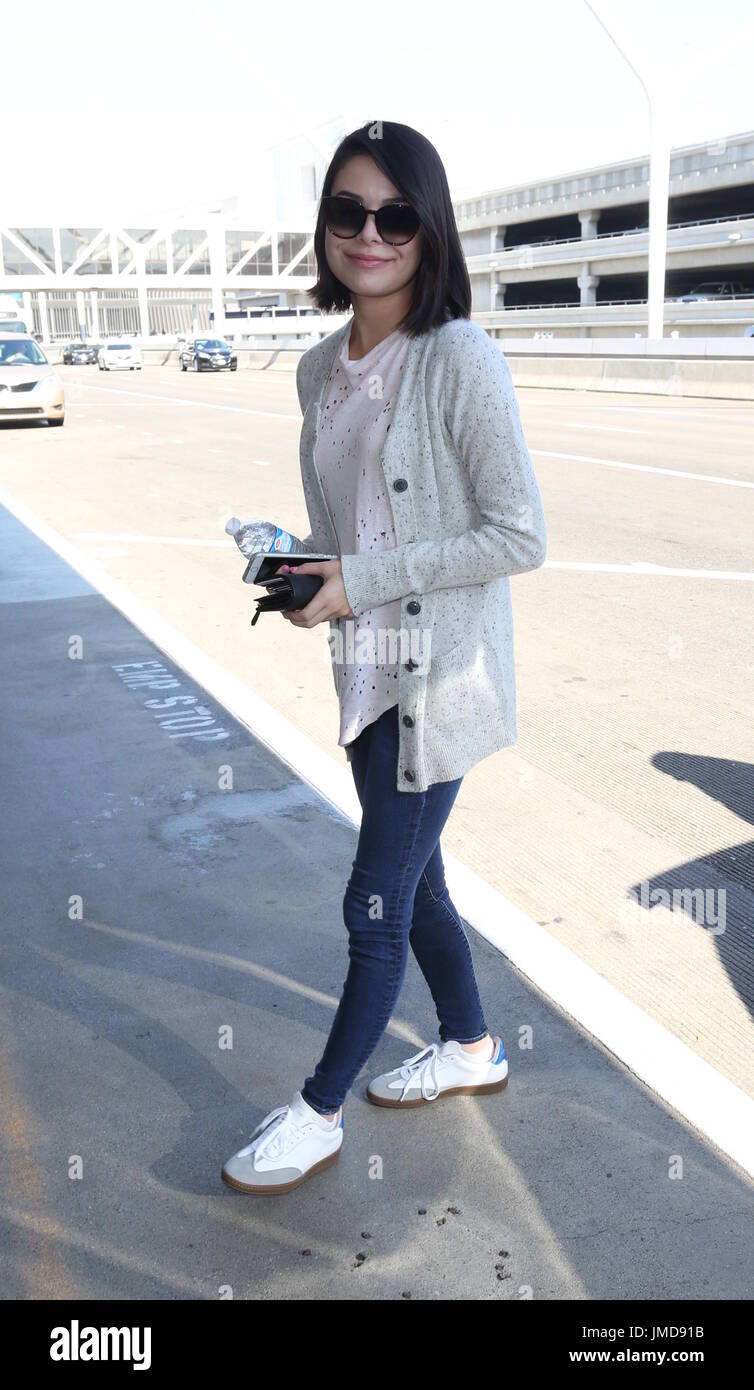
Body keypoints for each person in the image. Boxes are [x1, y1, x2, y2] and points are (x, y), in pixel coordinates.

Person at [221, 121, 547, 1196]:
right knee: (420, 883)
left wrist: (357, 583)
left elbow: (517, 535)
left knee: (373, 903)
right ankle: (468, 1046)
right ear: (324, 227)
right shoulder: (320, 365)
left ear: (428, 228)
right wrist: (304, 568)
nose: (369, 233)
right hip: (363, 673)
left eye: (395, 214)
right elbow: (353, 526)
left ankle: (315, 1113)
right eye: (347, 211)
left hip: (432, 682)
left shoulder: (459, 358)